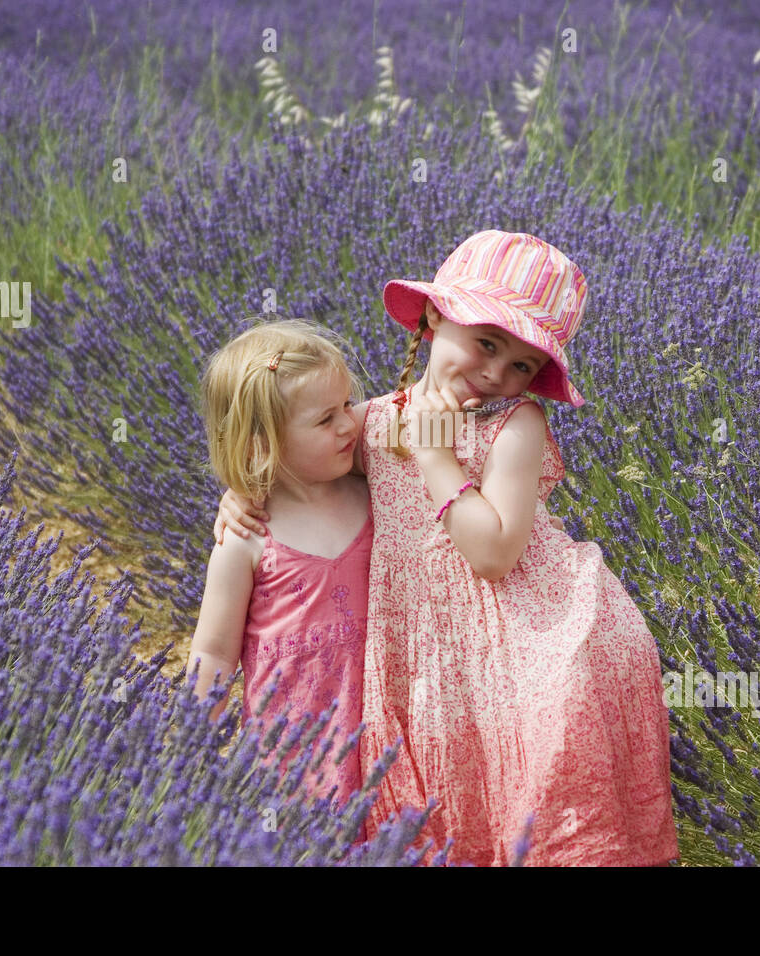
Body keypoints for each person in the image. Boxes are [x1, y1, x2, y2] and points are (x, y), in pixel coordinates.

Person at [217, 230, 678, 866]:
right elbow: (301, 473)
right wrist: (243, 495)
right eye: (486, 344)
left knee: (540, 812)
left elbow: (492, 553)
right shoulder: (373, 423)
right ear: (436, 317)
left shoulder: (517, 427)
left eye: (520, 365)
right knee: (452, 813)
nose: (495, 374)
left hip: (528, 643)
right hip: (430, 661)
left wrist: (435, 453)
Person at [188, 318, 372, 826]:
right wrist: (199, 745)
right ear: (263, 442)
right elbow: (212, 651)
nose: (348, 425)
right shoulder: (248, 535)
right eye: (324, 420)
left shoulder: (375, 497)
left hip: (381, 729)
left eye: (347, 407)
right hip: (291, 746)